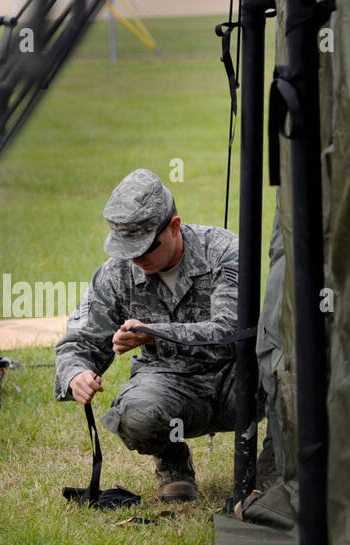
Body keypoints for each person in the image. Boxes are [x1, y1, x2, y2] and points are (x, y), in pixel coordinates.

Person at [54, 168, 260, 502]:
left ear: (175, 226)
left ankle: (274, 466)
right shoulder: (117, 272)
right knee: (137, 414)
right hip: (170, 383)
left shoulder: (224, 250)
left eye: (145, 247)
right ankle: (173, 463)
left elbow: (230, 334)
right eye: (127, 249)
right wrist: (76, 373)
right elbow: (79, 341)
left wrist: (152, 334)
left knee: (289, 374)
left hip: (236, 378)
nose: (136, 259)